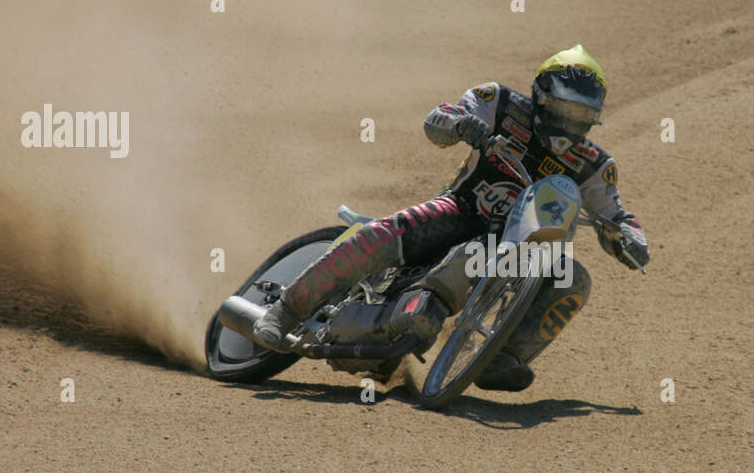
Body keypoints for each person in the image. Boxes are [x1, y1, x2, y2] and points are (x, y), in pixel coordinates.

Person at [251, 44, 649, 391]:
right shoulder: (499, 101)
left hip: (527, 247)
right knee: (384, 234)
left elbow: (616, 214)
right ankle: (286, 309)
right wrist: (459, 123)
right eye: (563, 109)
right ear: (541, 98)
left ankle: (501, 358)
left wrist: (631, 238)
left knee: (573, 279)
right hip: (461, 210)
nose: (569, 123)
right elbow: (437, 120)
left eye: (580, 115)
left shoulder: (595, 165)